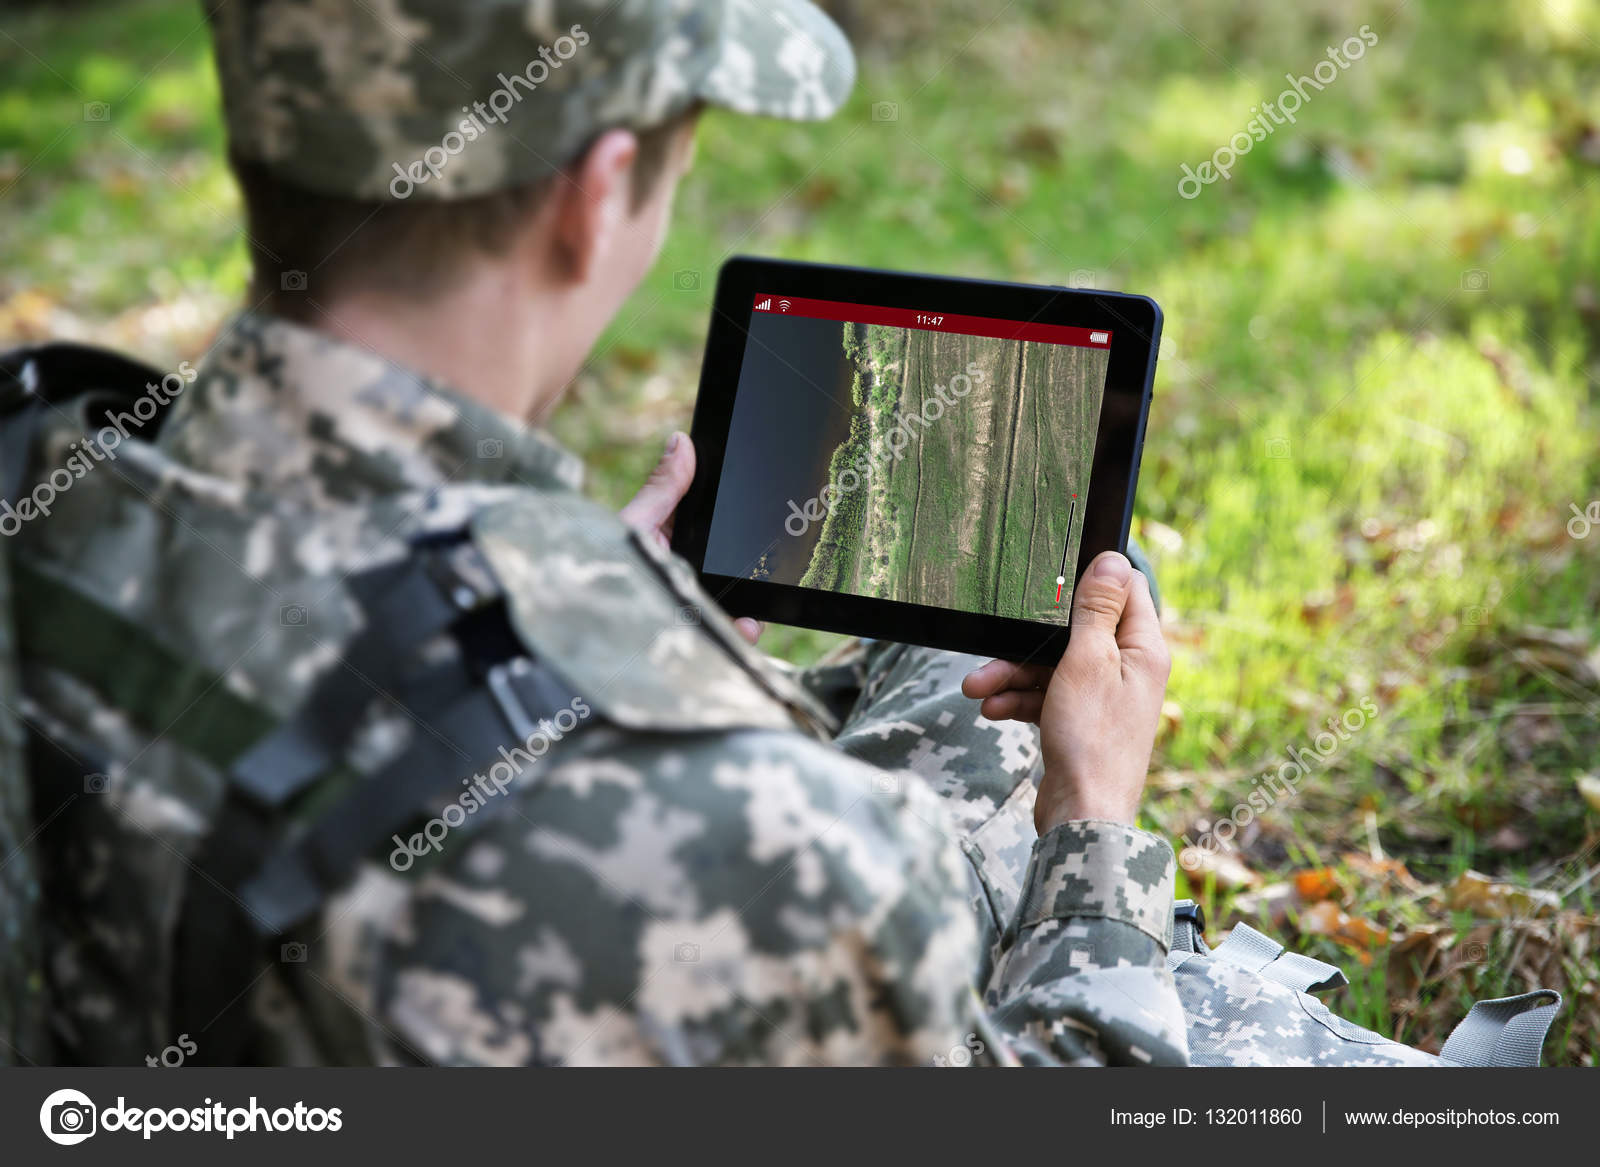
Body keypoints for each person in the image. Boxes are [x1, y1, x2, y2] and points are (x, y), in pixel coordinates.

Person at [0, 0, 1555, 1067]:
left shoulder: (39, 485)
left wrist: (545, 623)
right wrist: (1093, 828)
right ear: (595, 196)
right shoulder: (773, 853)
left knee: (934, 651)